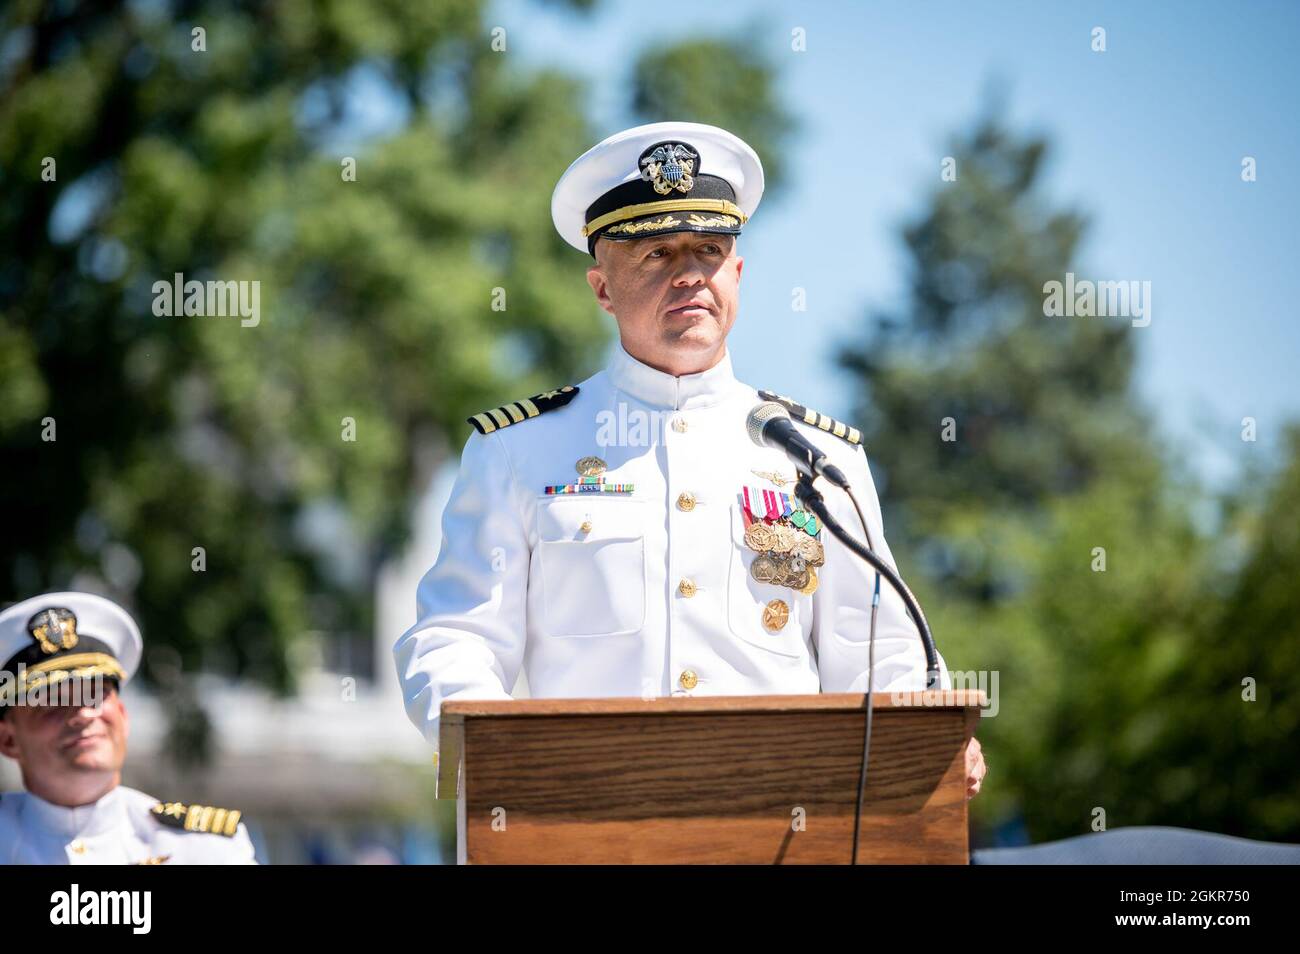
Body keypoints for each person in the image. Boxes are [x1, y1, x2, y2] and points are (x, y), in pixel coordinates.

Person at [395, 121, 986, 798]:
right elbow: (454, 637)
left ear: (736, 273)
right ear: (601, 288)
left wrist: (929, 742)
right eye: (655, 254)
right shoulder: (516, 453)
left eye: (708, 250)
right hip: (582, 822)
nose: (689, 276)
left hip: (784, 828)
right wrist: (506, 761)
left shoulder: (820, 459)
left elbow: (880, 655)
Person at [0, 591, 257, 863]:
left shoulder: (207, 850)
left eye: (97, 694)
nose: (83, 715)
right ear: (8, 740)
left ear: (123, 716)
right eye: (52, 702)